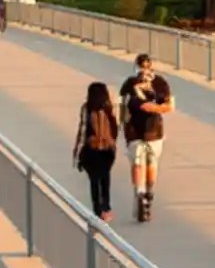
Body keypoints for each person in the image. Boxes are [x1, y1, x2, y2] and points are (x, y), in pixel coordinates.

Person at [119, 53, 174, 222]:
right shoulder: (130, 83)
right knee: (137, 163)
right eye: (141, 66)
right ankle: (140, 193)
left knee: (151, 163)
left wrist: (153, 108)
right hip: (134, 131)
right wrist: (122, 123)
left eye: (146, 66)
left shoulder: (160, 83)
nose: (144, 70)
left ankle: (148, 192)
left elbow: (169, 105)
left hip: (153, 130)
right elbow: (123, 105)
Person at [73, 82, 119, 222]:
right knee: (105, 178)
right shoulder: (110, 108)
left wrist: (77, 154)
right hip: (107, 150)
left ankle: (97, 210)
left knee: (94, 180)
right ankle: (106, 207)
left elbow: (82, 131)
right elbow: (115, 129)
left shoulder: (86, 108)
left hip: (91, 150)